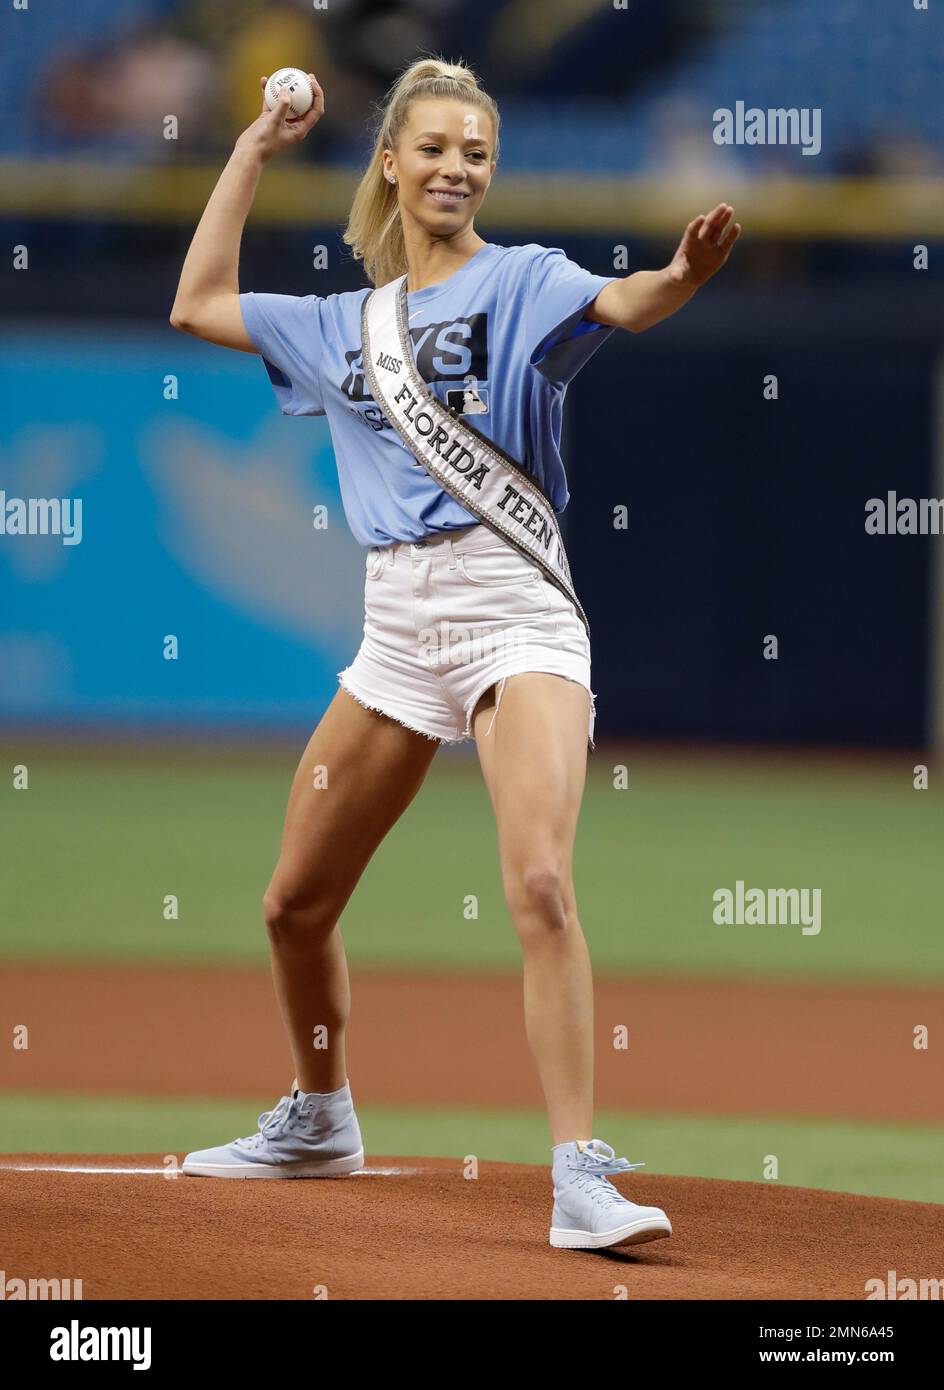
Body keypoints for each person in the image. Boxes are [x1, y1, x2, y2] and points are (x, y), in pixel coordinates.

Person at [169, 55, 739, 1251]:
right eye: (432, 147)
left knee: (537, 880)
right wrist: (251, 153)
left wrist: (681, 274)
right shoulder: (342, 324)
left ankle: (579, 1173)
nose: (455, 168)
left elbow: (625, 302)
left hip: (512, 608)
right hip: (395, 626)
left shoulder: (525, 279)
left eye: (475, 151)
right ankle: (320, 1116)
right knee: (292, 904)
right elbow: (198, 303)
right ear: (391, 161)